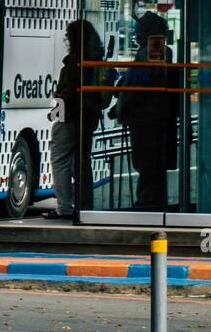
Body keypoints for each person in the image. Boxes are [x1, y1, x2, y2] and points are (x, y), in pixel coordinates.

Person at [47, 20, 111, 220]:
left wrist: (55, 115)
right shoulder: (96, 58)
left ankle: (65, 207)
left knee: (60, 159)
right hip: (89, 116)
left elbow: (67, 92)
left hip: (70, 117)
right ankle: (85, 205)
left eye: (68, 35)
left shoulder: (75, 62)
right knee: (82, 161)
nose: (66, 39)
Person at [115, 12, 178, 211]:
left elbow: (141, 84)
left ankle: (148, 201)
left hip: (147, 118)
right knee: (152, 163)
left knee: (148, 162)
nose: (136, 34)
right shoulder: (158, 50)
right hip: (154, 116)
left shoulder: (152, 50)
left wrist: (124, 105)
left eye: (139, 30)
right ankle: (152, 199)